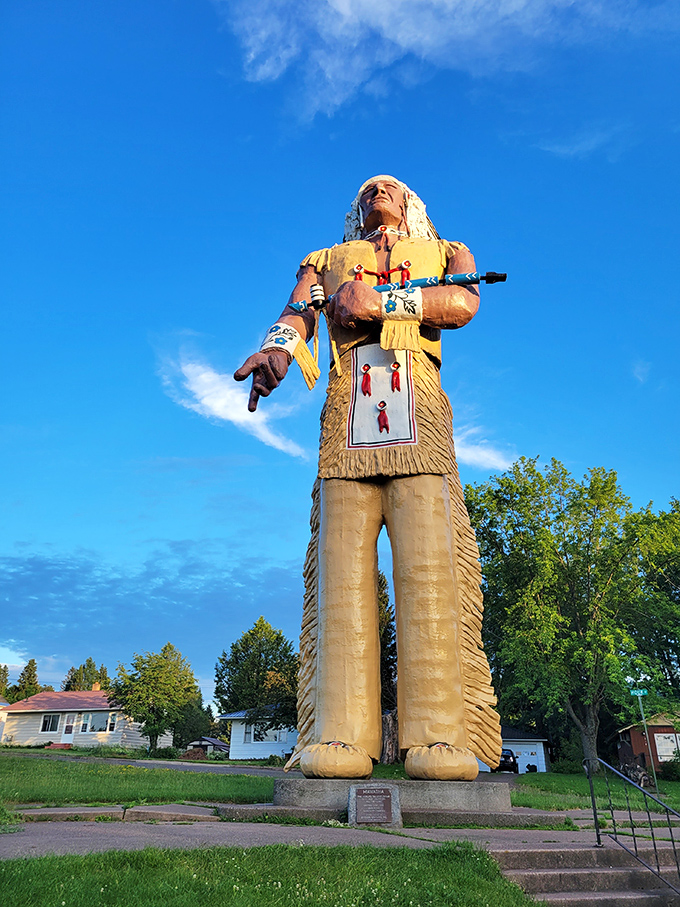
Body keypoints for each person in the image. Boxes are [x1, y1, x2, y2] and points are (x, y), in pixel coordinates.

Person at [235, 176, 501, 780]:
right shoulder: (326, 262)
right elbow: (296, 313)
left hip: (420, 419)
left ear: (411, 204)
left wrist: (378, 305)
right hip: (347, 421)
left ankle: (439, 737)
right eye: (368, 187)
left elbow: (461, 303)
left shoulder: (447, 250)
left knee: (431, 572)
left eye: (390, 185)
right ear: (355, 210)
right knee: (339, 574)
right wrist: (277, 352)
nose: (378, 189)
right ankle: (338, 733)